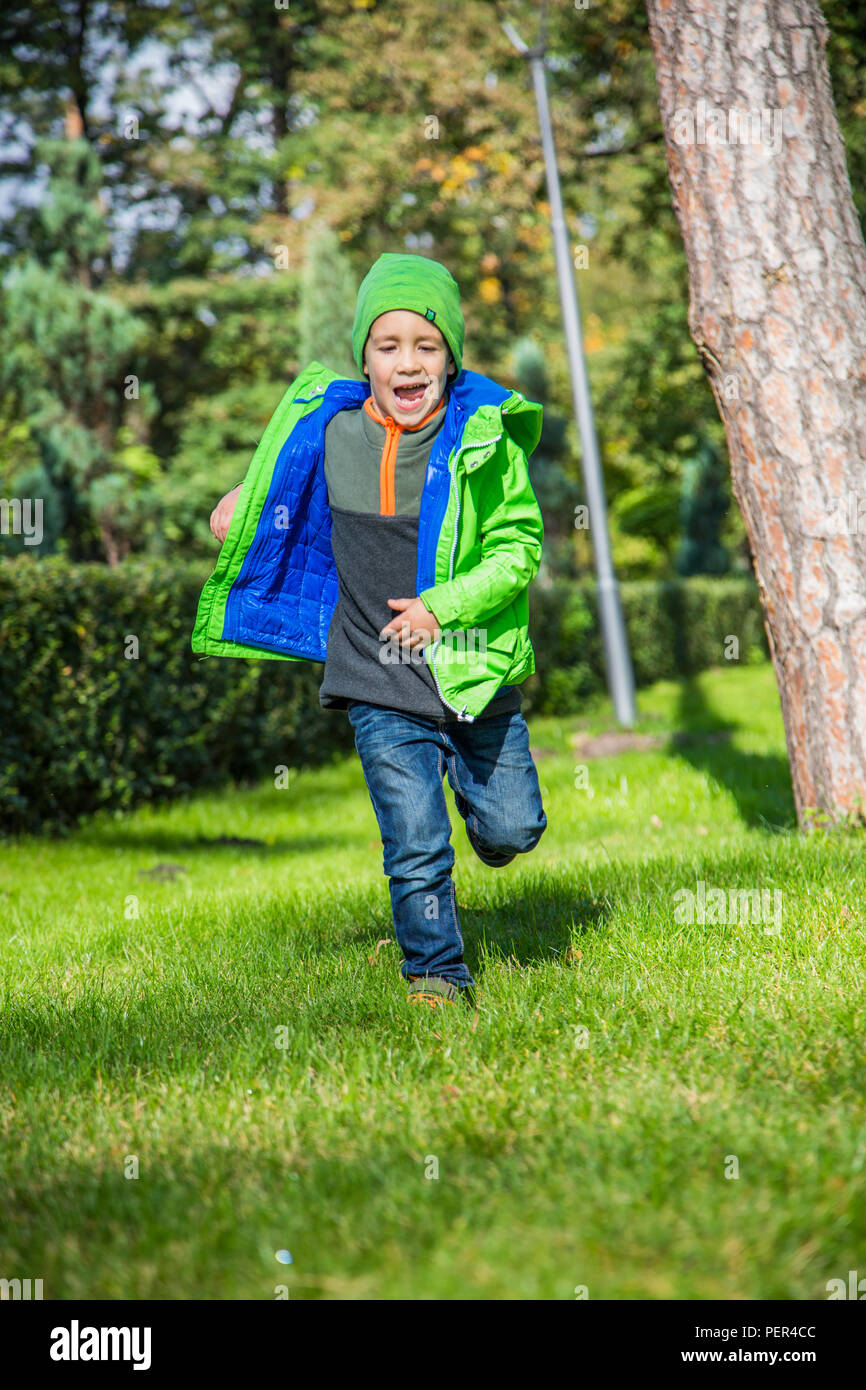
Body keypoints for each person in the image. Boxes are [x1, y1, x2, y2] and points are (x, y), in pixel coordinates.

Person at [196, 251, 548, 1010]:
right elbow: (278, 478)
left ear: (452, 360)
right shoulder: (333, 428)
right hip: (374, 678)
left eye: (427, 347)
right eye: (388, 347)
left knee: (513, 830)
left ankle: (482, 809)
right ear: (365, 358)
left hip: (470, 673)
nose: (408, 363)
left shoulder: (486, 444)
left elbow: (520, 550)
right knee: (415, 844)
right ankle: (436, 977)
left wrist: (442, 608)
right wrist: (240, 504)